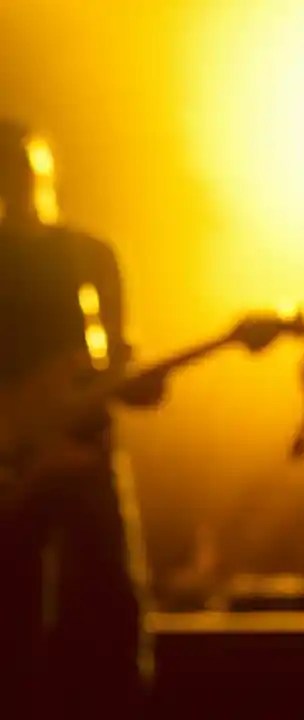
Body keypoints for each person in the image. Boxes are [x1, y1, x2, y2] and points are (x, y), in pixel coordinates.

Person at [0, 120, 167, 718]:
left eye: (24, 168)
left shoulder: (89, 254)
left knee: (114, 609)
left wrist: (140, 383)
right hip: (18, 462)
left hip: (84, 453)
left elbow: (121, 363)